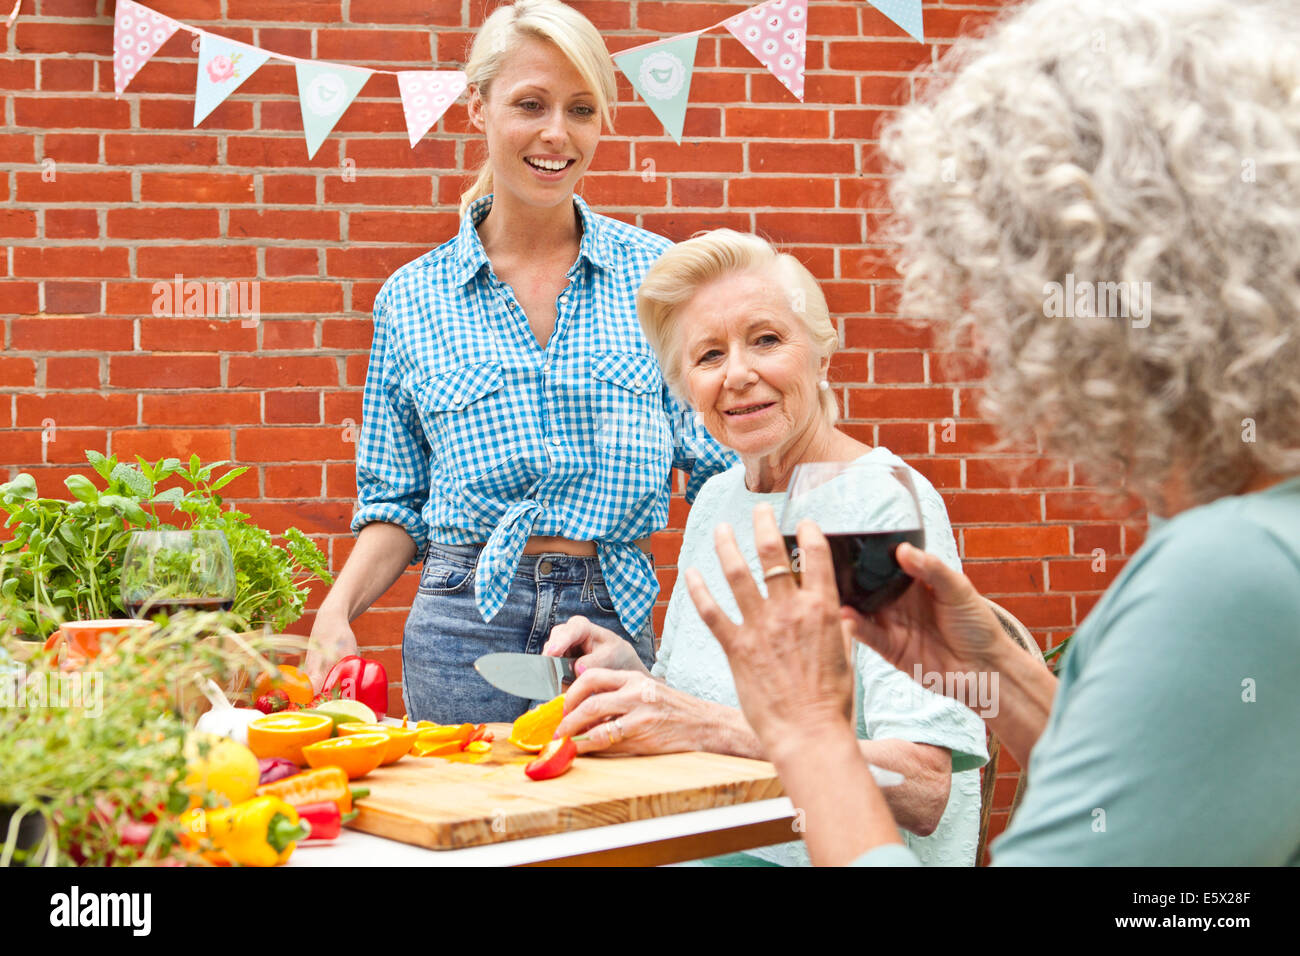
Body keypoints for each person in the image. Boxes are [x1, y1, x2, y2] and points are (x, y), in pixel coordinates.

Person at [687, 0, 1300, 866]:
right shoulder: (1256, 527)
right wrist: (999, 673)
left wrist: (805, 731)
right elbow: (1143, 799)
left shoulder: (1231, 570)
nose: (994, 330)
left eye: (1012, 279)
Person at [304, 0, 733, 722]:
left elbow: (722, 469)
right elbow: (394, 505)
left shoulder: (658, 278)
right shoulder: (411, 298)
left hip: (613, 621)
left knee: (613, 828)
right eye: (529, 104)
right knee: (473, 824)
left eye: (581, 109)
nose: (555, 134)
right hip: (459, 626)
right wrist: (336, 610)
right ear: (478, 108)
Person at [544, 230, 988, 866]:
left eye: (767, 340)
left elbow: (921, 787)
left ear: (820, 354)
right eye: (708, 356)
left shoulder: (880, 506)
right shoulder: (719, 499)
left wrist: (698, 723)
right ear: (685, 388)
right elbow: (705, 706)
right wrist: (632, 676)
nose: (739, 375)